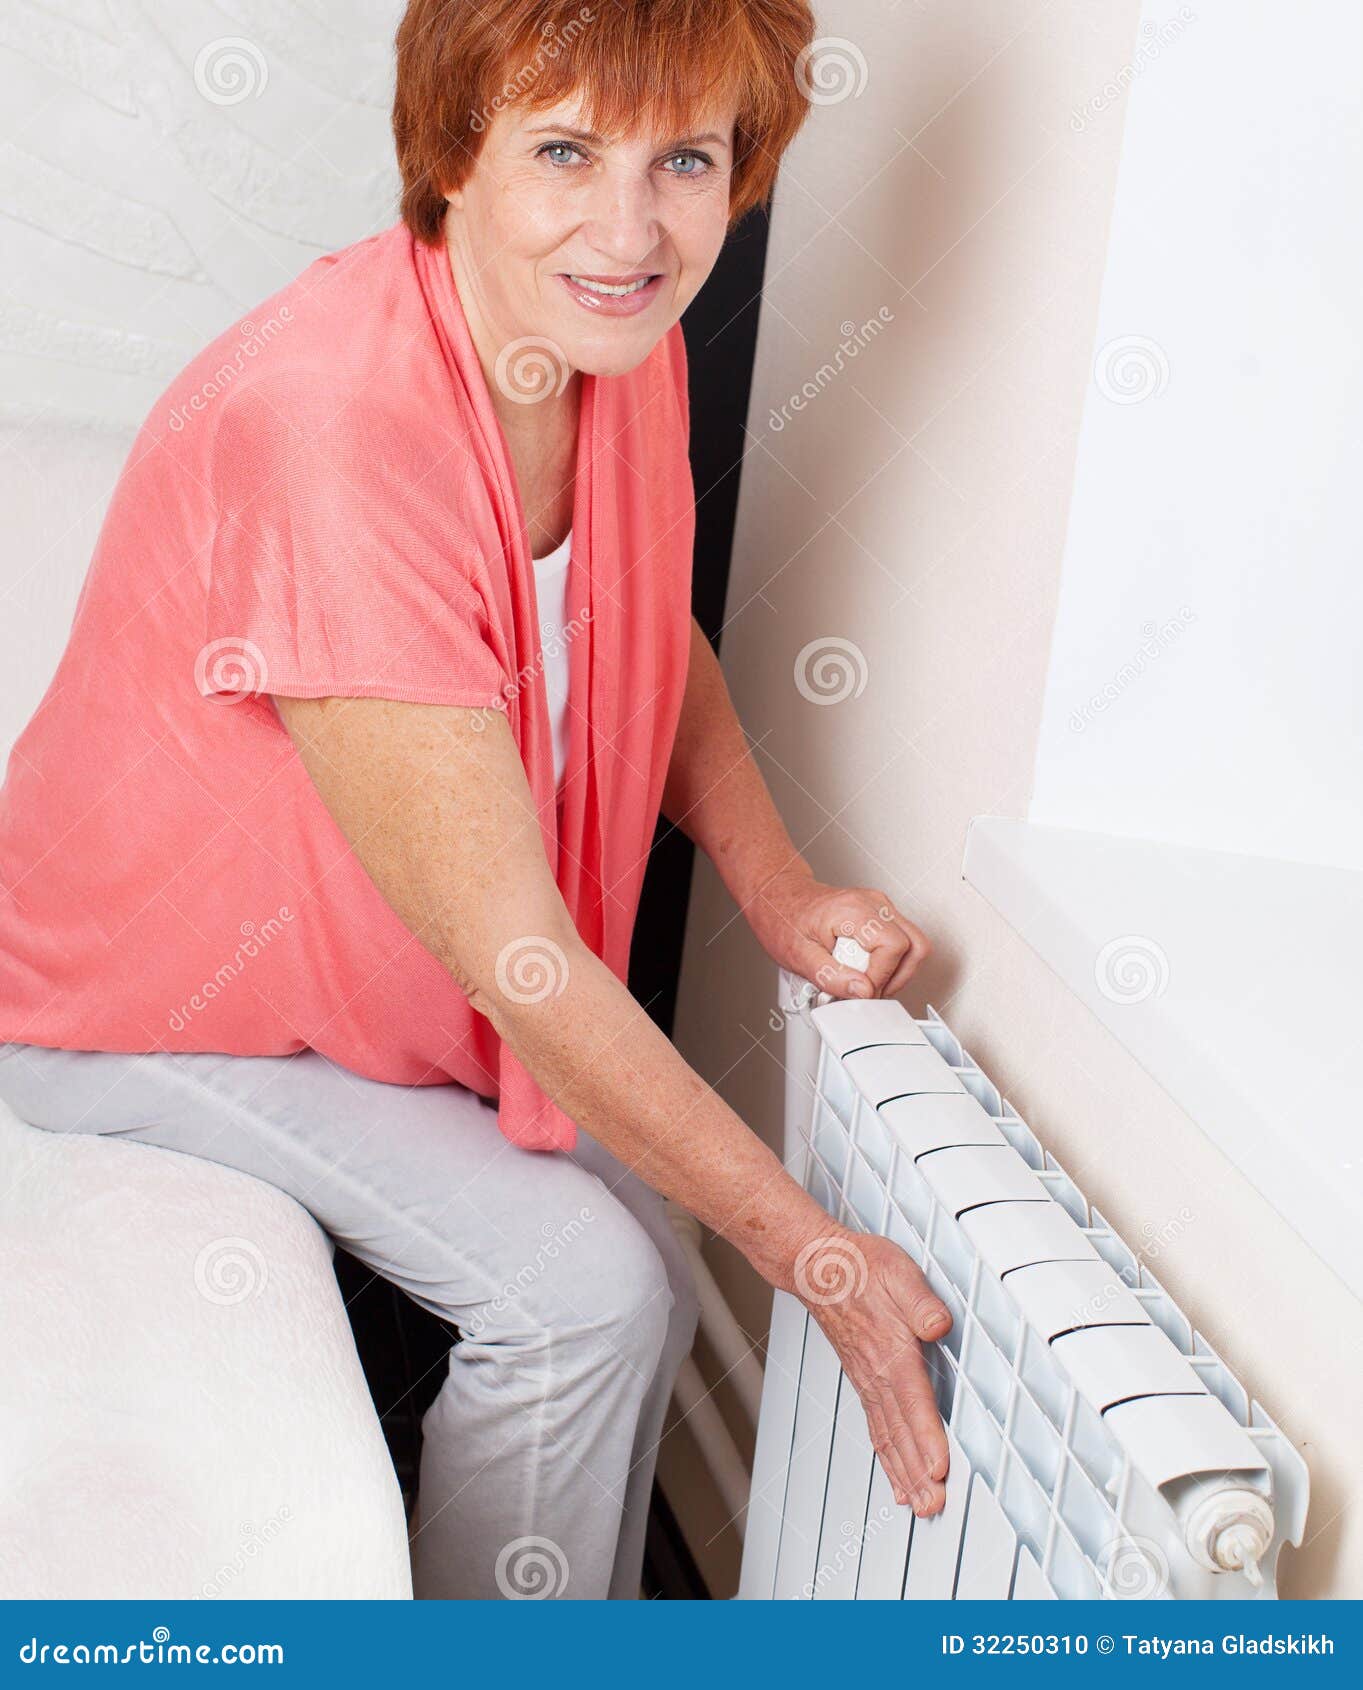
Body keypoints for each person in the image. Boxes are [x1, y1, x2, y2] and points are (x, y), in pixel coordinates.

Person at [0, 0, 950, 1600]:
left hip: (338, 982)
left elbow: (645, 633)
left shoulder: (607, 337)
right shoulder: (337, 431)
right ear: (455, 154)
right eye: (565, 151)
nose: (629, 230)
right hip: (129, 1009)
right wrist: (818, 1256)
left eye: (684, 162)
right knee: (587, 1295)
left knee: (656, 1258)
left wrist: (780, 887)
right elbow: (521, 956)